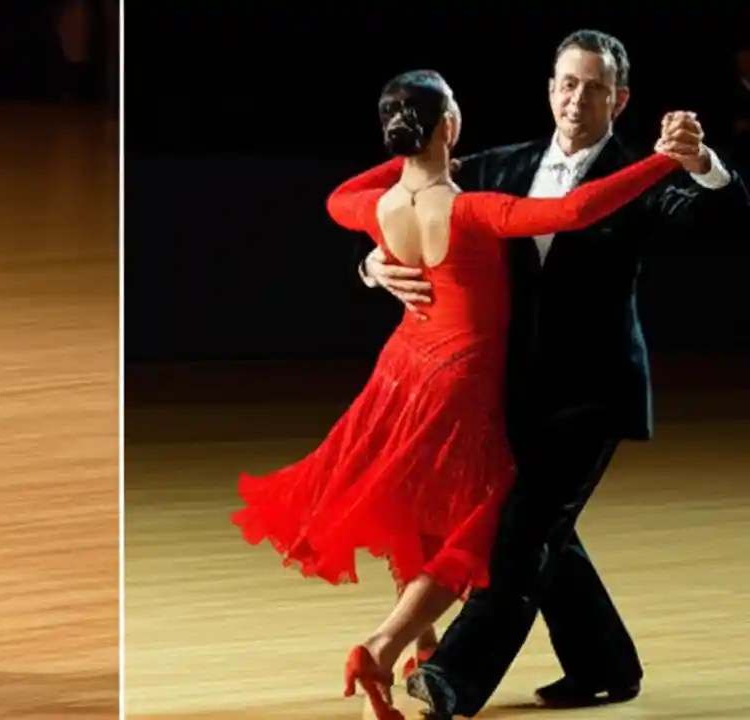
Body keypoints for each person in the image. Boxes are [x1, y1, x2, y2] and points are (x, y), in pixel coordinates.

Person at [231, 67, 686, 720]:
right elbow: (575, 211)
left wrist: (379, 244)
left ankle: (425, 646)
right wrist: (663, 160)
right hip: (459, 377)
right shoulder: (473, 210)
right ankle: (382, 648)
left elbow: (338, 197)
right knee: (483, 526)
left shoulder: (378, 207)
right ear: (450, 124)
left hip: (401, 367)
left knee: (419, 508)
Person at [353, 32, 750, 718]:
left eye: (595, 87)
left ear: (619, 100)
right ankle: (605, 665)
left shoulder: (639, 173)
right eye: (568, 83)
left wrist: (702, 163)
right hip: (508, 387)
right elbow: (407, 197)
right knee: (547, 532)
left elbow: (723, 215)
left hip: (593, 392)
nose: (577, 98)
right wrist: (371, 266)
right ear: (549, 90)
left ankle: (450, 678)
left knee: (519, 534)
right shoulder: (497, 166)